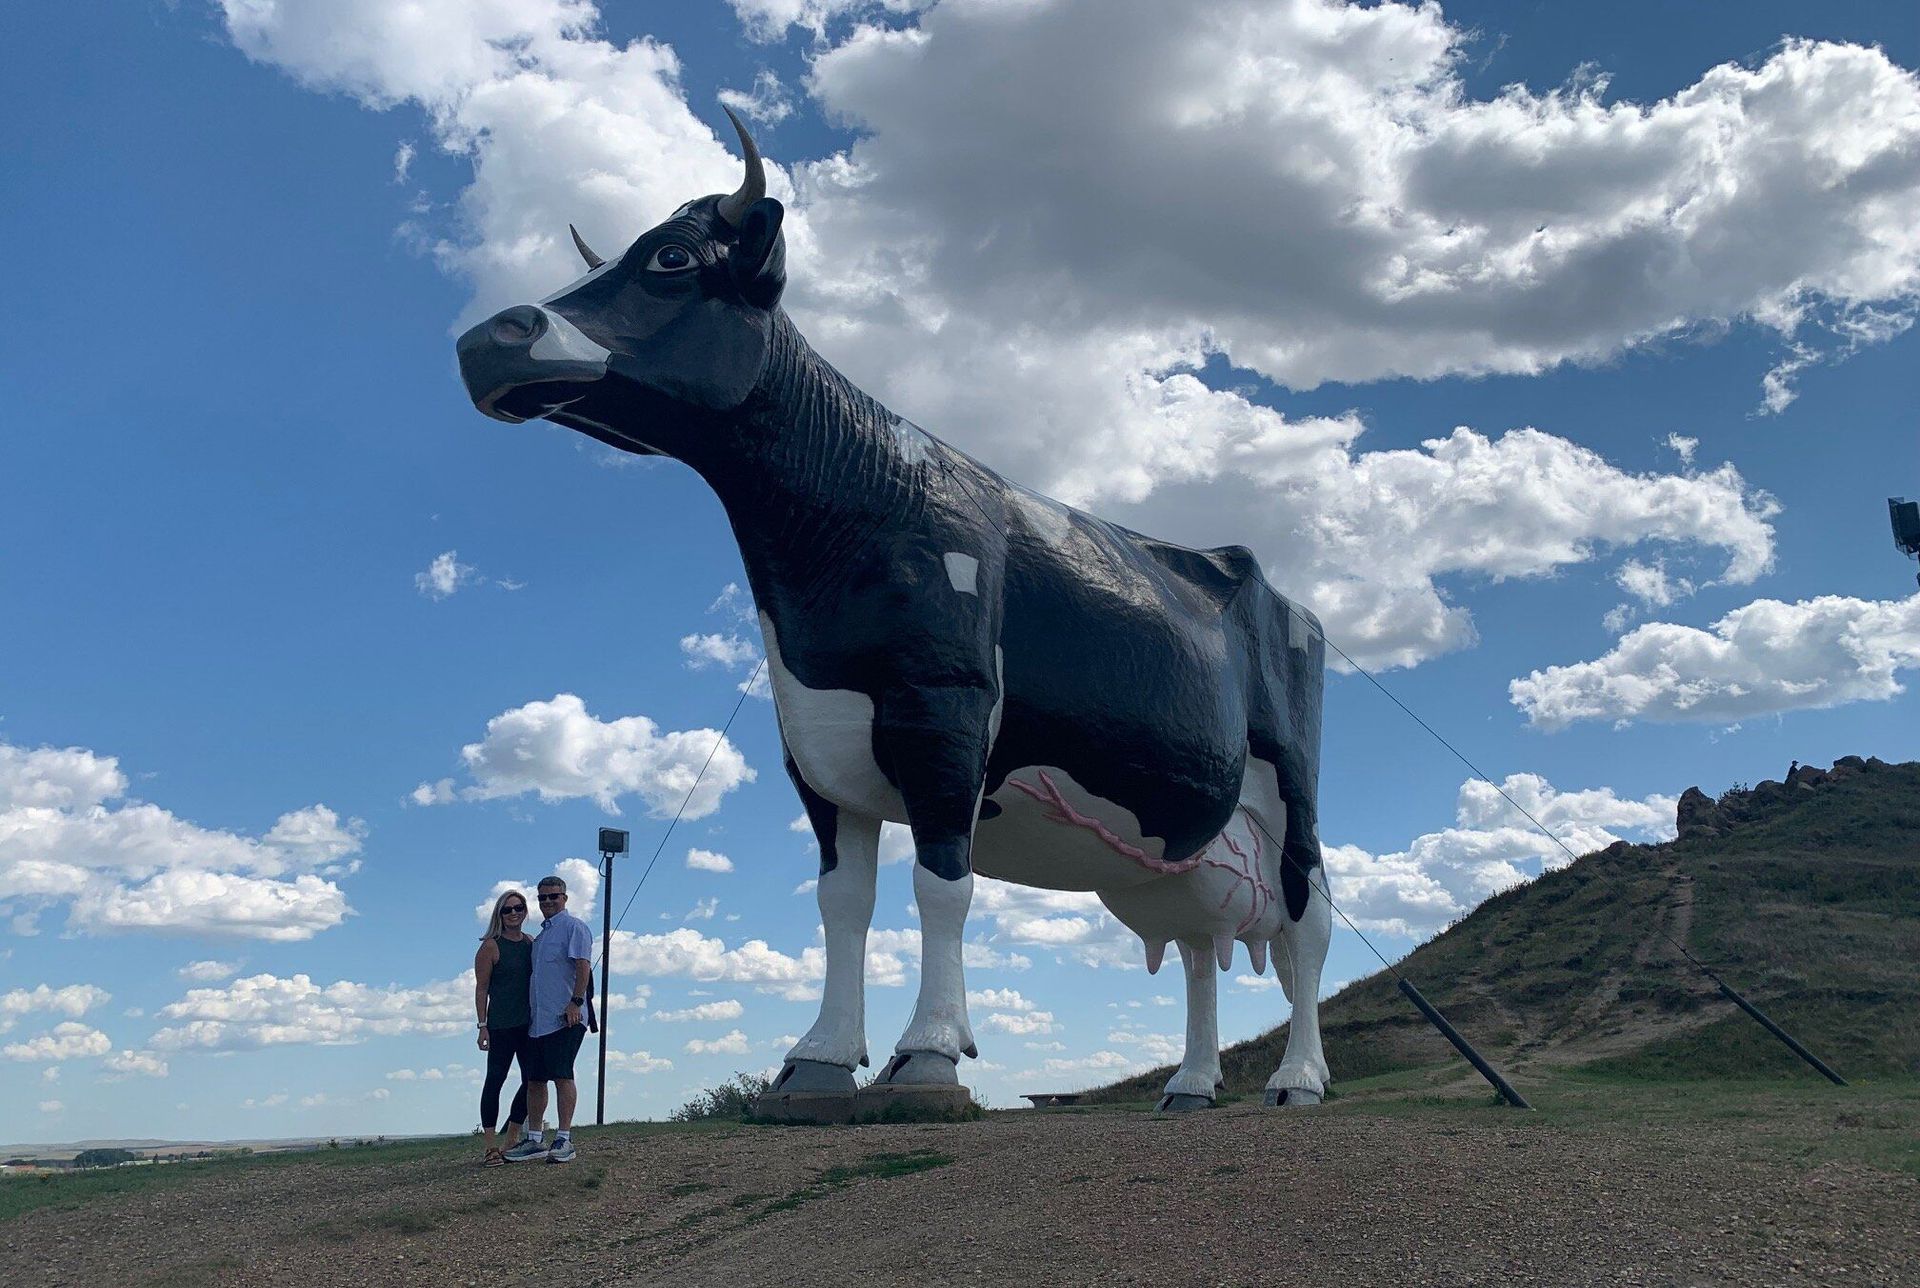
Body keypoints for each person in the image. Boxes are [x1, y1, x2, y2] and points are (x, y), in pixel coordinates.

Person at [502, 875, 594, 1164]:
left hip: (566, 1017)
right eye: (542, 897)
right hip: (538, 1022)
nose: (548, 902)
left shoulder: (574, 927)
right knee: (534, 1079)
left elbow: (582, 966)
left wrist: (575, 1002)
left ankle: (564, 1139)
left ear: (564, 898)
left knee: (562, 1074)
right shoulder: (539, 940)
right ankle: (534, 1140)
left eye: (553, 896)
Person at [474, 889, 535, 1167]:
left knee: (532, 1080)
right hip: (499, 1026)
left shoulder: (531, 943)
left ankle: (511, 1139)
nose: (513, 913)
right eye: (507, 909)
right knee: (495, 1081)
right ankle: (490, 1146)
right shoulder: (490, 946)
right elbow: (482, 987)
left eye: (518, 907)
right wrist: (482, 1025)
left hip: (528, 1025)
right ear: (499, 914)